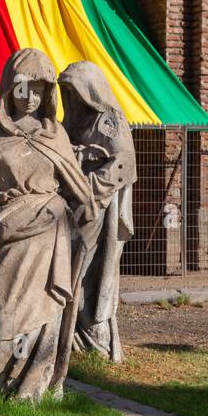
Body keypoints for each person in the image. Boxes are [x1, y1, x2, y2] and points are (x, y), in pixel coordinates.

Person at [0, 47, 96, 402]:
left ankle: (34, 388)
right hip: (4, 239)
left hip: (49, 239)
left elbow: (80, 192)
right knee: (3, 316)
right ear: (8, 88)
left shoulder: (56, 136)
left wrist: (84, 226)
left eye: (39, 88)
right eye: (23, 87)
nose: (30, 96)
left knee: (45, 313)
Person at [59, 61, 137, 363]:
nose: (72, 97)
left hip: (99, 209)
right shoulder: (72, 121)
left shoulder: (110, 120)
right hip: (71, 209)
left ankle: (96, 339)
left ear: (90, 90)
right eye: (66, 91)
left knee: (94, 269)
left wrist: (88, 182)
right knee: (69, 267)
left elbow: (124, 164)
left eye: (75, 90)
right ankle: (69, 332)